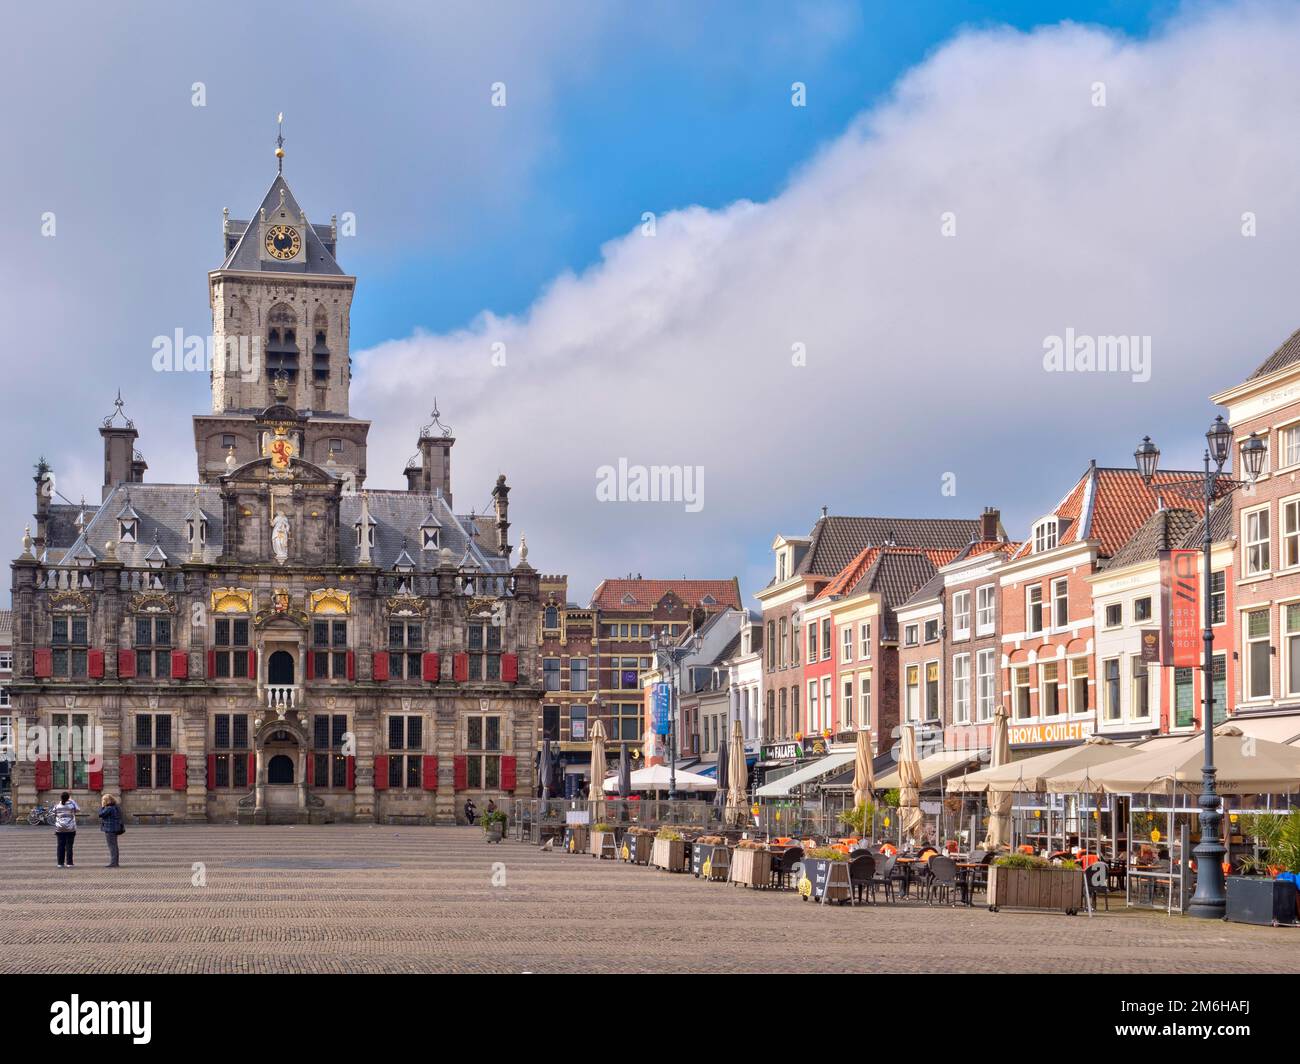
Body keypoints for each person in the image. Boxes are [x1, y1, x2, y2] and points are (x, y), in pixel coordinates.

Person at [52, 791, 79, 867]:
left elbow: (53, 812)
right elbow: (78, 809)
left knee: (60, 845)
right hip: (70, 828)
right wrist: (72, 801)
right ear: (68, 798)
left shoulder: (57, 805)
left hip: (60, 828)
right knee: (69, 846)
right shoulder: (71, 805)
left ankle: (60, 863)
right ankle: (69, 863)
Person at [98, 794, 123, 867]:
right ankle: (115, 862)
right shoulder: (115, 806)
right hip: (115, 828)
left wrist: (102, 806)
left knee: (112, 846)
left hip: (110, 829)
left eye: (103, 800)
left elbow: (100, 814)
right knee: (114, 846)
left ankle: (114, 863)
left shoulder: (109, 808)